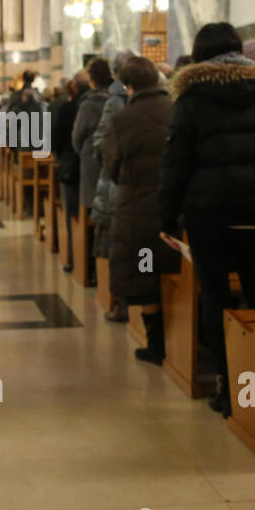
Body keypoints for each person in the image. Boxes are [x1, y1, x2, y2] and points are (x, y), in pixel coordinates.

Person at [159, 22, 255, 416]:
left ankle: (227, 385)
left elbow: (176, 164)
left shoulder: (190, 99)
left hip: (210, 217)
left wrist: (166, 217)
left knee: (215, 297)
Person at [102, 56, 180, 364]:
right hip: (174, 209)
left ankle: (156, 345)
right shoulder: (177, 109)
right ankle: (181, 340)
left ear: (128, 85)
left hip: (138, 210)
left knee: (145, 274)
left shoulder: (123, 119)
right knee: (176, 267)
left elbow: (110, 166)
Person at [89, 49, 135, 321]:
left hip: (121, 185)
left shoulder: (114, 100)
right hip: (149, 187)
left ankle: (123, 303)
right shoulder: (164, 99)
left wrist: (114, 166)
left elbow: (101, 144)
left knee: (119, 244)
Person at [72, 59, 112, 286]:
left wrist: (84, 154)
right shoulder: (120, 101)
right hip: (111, 165)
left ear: (92, 80)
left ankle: (92, 269)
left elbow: (76, 138)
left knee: (92, 213)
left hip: (91, 167)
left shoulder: (88, 105)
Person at [53, 71, 89, 273]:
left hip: (72, 166)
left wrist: (61, 158)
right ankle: (93, 262)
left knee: (73, 212)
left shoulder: (68, 108)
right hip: (93, 168)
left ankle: (75, 259)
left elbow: (58, 139)